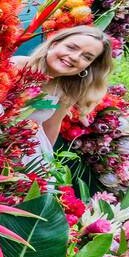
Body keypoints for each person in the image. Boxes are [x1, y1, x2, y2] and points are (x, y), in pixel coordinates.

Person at [11, 25, 114, 165]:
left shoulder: (65, 91)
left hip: (26, 154)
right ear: (54, 44)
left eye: (87, 57)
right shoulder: (17, 66)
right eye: (71, 47)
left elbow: (50, 128)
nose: (75, 57)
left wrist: (45, 165)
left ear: (88, 67)